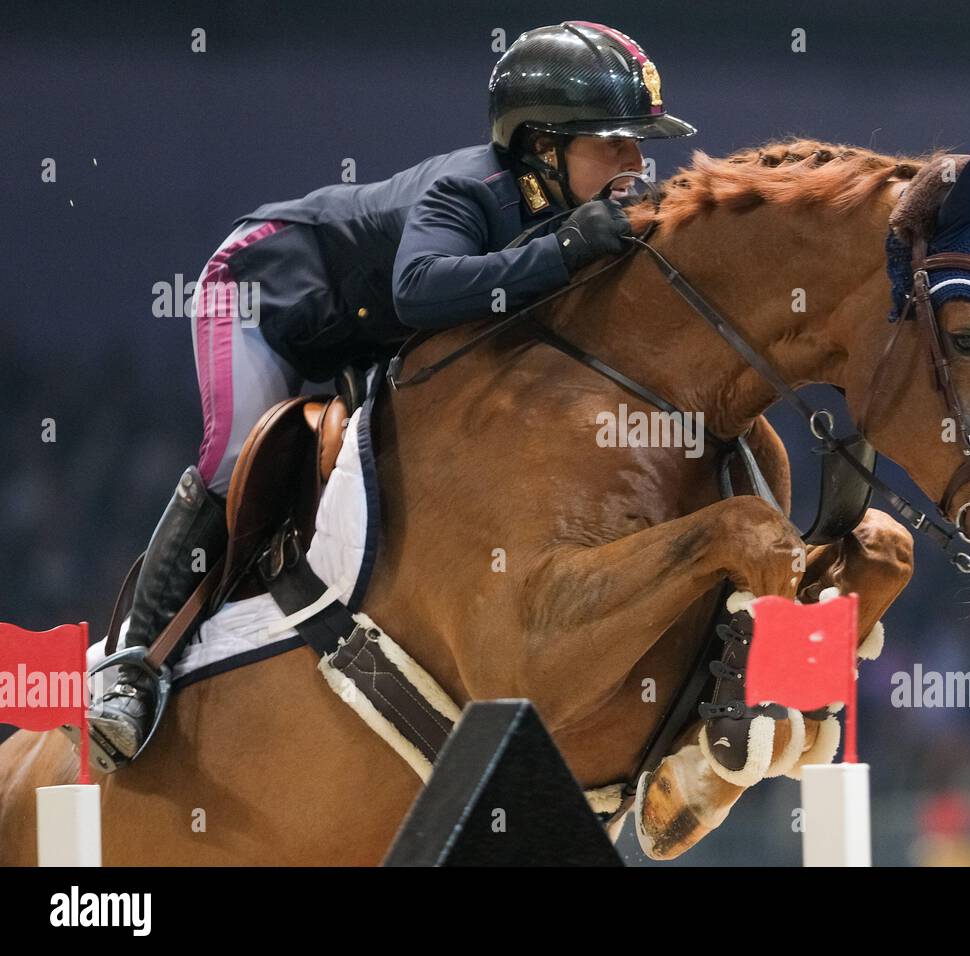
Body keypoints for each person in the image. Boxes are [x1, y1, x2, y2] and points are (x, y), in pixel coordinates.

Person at [85, 21, 696, 771]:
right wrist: (566, 250)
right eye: (615, 144)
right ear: (543, 144)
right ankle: (129, 670)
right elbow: (418, 290)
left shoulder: (568, 209)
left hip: (363, 340)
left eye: (641, 145)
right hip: (262, 292)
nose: (637, 163)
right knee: (235, 460)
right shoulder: (472, 188)